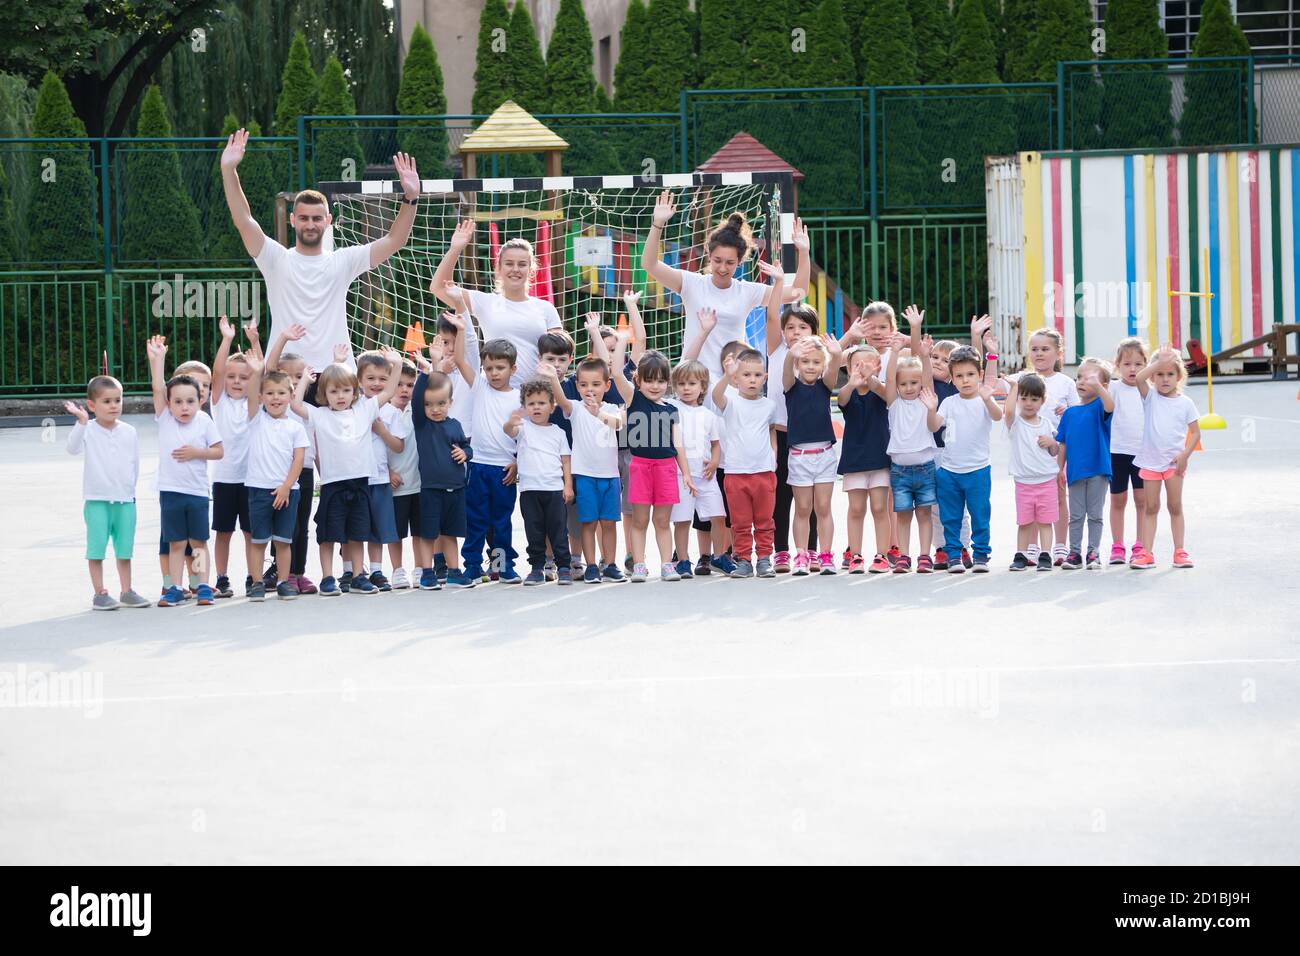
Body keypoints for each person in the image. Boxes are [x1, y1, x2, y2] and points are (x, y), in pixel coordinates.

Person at [221, 129, 422, 370]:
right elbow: (244, 220)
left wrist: (410, 198)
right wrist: (229, 170)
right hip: (285, 376)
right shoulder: (275, 258)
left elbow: (394, 241)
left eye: (317, 218)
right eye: (304, 218)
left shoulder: (343, 261)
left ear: (328, 221)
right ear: (293, 220)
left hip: (335, 376)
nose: (310, 224)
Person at [641, 191, 808, 395]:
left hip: (732, 385)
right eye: (717, 260)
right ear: (709, 255)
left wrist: (804, 253)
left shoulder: (747, 291)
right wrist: (657, 224)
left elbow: (798, 292)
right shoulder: (692, 283)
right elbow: (649, 264)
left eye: (730, 263)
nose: (722, 268)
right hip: (694, 383)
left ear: (739, 262)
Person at [290, 346, 403, 595]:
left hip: (360, 483)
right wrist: (304, 383)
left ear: (354, 392)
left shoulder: (363, 410)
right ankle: (328, 577)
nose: (340, 396)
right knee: (328, 535)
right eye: (333, 391)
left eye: (345, 390)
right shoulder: (319, 415)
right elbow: (296, 406)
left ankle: (358, 576)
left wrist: (396, 365)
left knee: (357, 533)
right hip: (333, 484)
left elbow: (389, 391)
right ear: (324, 394)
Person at [430, 221, 564, 386]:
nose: (515, 269)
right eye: (509, 263)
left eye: (522, 264)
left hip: (536, 398)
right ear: (498, 268)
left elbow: (559, 352)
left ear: (531, 270)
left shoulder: (545, 308)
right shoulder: (486, 302)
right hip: (493, 394)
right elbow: (439, 287)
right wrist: (455, 249)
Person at [612, 334, 695, 582]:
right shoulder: (633, 399)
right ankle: (639, 564)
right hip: (640, 468)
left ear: (667, 382)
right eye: (649, 380)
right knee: (639, 521)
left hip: (666, 469)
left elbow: (678, 444)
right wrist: (622, 341)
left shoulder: (671, 410)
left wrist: (687, 474)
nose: (655, 385)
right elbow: (616, 372)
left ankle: (668, 565)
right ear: (638, 381)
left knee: (662, 520)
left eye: (660, 380)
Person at [148, 336, 224, 606]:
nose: (184, 407)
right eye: (178, 402)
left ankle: (202, 584)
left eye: (190, 401)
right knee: (176, 543)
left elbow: (219, 451)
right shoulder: (165, 417)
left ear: (200, 401)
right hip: (171, 492)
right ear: (169, 403)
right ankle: (175, 588)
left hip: (197, 493)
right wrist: (158, 360)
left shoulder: (204, 421)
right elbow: (158, 388)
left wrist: (196, 453)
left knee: (199, 542)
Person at [446, 320, 523, 583]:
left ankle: (502, 566)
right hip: (478, 467)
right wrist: (462, 330)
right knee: (476, 521)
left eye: (500, 368)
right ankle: (472, 567)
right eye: (489, 368)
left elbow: (524, 436)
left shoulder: (520, 397)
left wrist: (517, 463)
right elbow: (458, 358)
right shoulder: (479, 386)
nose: (494, 373)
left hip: (504, 470)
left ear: (513, 368)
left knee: (501, 522)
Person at [65, 377, 150, 610]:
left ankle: (127, 590)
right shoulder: (88, 429)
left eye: (118, 400)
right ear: (92, 405)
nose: (114, 405)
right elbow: (72, 449)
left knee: (124, 549)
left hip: (125, 501)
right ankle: (100, 593)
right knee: (96, 549)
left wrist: (130, 492)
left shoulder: (129, 431)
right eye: (107, 401)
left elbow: (135, 464)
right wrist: (81, 422)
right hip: (97, 501)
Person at [925, 345, 1002, 573]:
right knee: (950, 517)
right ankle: (954, 556)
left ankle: (980, 556)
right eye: (959, 376)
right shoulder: (948, 402)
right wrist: (931, 409)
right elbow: (932, 426)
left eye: (970, 374)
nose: (965, 380)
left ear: (979, 375)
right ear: (952, 378)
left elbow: (998, 417)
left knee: (980, 515)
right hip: (949, 471)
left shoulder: (984, 399)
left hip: (978, 470)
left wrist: (988, 399)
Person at [551, 352, 626, 583]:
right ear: (577, 385)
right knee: (588, 522)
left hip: (610, 476)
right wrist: (552, 377)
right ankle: (591, 565)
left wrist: (599, 413)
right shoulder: (574, 407)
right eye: (583, 384)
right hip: (584, 476)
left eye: (595, 384)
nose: (589, 389)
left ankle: (610, 563)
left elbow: (618, 424)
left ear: (607, 385)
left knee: (609, 522)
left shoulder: (613, 408)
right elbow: (561, 399)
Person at [241, 356, 309, 600]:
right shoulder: (256, 419)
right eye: (269, 393)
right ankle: (258, 582)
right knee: (259, 541)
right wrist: (257, 372)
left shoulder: (296, 428)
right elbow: (250, 393)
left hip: (288, 492)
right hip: (259, 490)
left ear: (291, 396)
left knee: (283, 541)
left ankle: (283, 581)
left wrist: (286, 487)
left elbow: (298, 461)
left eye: (281, 393)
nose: (275, 398)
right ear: (261, 398)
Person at [408, 359, 475, 591]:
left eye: (441, 403)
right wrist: (427, 374)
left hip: (455, 489)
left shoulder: (455, 424)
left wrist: (465, 453)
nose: (435, 409)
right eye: (429, 405)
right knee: (429, 534)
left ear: (450, 402)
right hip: (431, 490)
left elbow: (467, 447)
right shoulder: (422, 424)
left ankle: (454, 572)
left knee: (450, 534)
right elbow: (417, 400)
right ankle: (428, 573)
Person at [1011, 328, 1077, 564]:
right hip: (1026, 452)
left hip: (1055, 448)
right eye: (1034, 349)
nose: (1039, 354)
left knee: (1057, 496)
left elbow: (1078, 415)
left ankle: (1059, 544)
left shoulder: (1066, 383)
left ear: (1059, 353)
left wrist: (1067, 411)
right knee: (1031, 502)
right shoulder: (1023, 380)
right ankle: (1031, 547)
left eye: (1045, 349)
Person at [1131, 345, 1200, 570]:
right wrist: (1159, 362)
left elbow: (1196, 433)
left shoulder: (1185, 403)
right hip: (1150, 463)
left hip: (1173, 464)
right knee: (1151, 507)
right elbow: (1139, 379)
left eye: (1170, 373)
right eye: (1159, 374)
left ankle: (1180, 551)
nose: (1164, 379)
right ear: (1153, 377)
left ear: (1179, 376)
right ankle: (1147, 553)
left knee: (1175, 506)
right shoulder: (1149, 397)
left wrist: (1185, 455)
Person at [712, 349, 778, 579]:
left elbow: (771, 432)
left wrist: (773, 458)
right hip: (736, 473)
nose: (752, 379)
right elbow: (716, 396)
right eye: (746, 375)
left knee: (764, 520)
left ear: (765, 378)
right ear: (736, 379)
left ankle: (764, 559)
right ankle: (743, 560)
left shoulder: (769, 406)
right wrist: (725, 375)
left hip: (764, 473)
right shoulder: (731, 403)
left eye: (757, 375)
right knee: (740, 522)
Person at [262, 325, 317, 594]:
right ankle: (279, 568)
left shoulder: (307, 405)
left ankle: (298, 573)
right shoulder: (275, 402)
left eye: (300, 375)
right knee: (283, 526)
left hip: (303, 472)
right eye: (289, 376)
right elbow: (269, 369)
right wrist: (283, 338)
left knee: (301, 527)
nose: (294, 381)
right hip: (278, 475)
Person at [782, 334, 842, 576]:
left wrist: (836, 355)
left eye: (816, 362)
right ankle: (801, 555)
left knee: (824, 506)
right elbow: (787, 370)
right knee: (803, 508)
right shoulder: (791, 387)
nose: (810, 366)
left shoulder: (825, 386)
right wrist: (790, 355)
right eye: (805, 362)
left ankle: (826, 556)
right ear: (798, 364)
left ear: (822, 365)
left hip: (825, 454)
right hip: (799, 456)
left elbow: (833, 369)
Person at [505, 380, 575, 586]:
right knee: (534, 531)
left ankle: (563, 567)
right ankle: (536, 568)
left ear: (552, 406)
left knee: (559, 530)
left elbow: (566, 461)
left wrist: (568, 485)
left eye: (542, 403)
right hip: (529, 490)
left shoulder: (558, 432)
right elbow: (508, 430)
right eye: (532, 403)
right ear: (525, 407)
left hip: (554, 490)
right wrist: (512, 421)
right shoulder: (523, 428)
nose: (536, 407)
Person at [356, 350, 411, 592]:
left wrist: (382, 432)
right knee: (355, 529)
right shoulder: (352, 406)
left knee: (377, 529)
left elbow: (398, 446)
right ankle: (352, 571)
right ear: (359, 381)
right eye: (370, 378)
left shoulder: (390, 412)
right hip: (355, 478)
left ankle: (377, 570)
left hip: (378, 478)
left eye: (382, 378)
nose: (377, 383)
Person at [209, 317, 256, 598]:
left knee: (251, 534)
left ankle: (253, 576)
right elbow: (216, 373)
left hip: (251, 481)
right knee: (223, 532)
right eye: (232, 376)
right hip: (225, 479)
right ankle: (222, 578)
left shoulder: (255, 405)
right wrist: (227, 339)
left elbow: (262, 372)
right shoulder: (219, 403)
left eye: (244, 376)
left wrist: (254, 343)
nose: (237, 381)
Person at [1055, 358, 1116, 570]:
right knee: (1077, 515)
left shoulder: (1101, 406)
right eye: (1079, 377)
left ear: (1103, 385)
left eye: (1089, 378)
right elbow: (1062, 443)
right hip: (1075, 471)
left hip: (1099, 469)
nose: (1081, 381)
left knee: (1096, 514)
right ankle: (1074, 553)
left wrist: (1099, 388)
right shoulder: (1069, 413)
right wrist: (1059, 468)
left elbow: (1110, 404)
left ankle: (1093, 552)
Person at [836, 344, 890, 574]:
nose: (863, 369)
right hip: (855, 461)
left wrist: (873, 379)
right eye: (858, 365)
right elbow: (841, 399)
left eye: (869, 364)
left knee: (880, 507)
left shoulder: (882, 391)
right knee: (856, 508)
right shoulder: (849, 392)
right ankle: (855, 554)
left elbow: (887, 394)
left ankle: (882, 555)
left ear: (878, 366)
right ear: (848, 369)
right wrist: (852, 383)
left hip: (880, 458)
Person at [885, 337, 937, 573]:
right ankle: (904, 555)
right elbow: (888, 379)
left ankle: (925, 555)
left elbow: (927, 378)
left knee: (925, 514)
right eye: (904, 383)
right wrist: (894, 353)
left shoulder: (926, 401)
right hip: (900, 471)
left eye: (914, 382)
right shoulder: (893, 404)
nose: (909, 387)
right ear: (897, 386)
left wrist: (925, 356)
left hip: (925, 467)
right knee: (903, 515)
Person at [668, 359, 723, 579]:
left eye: (691, 383)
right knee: (682, 520)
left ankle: (719, 557)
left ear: (702, 387)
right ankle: (682, 560)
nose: (686, 388)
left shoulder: (709, 415)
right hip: (681, 475)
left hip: (706, 475)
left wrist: (715, 462)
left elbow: (716, 444)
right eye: (681, 384)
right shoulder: (671, 409)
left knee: (718, 515)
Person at [1002, 374, 1060, 571]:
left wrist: (1052, 443)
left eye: (1034, 399)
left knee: (1046, 521)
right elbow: (1008, 411)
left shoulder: (1046, 424)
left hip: (1046, 482)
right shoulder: (1016, 423)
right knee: (1024, 522)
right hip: (1024, 483)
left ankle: (1045, 554)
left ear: (1042, 400)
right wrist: (1014, 388)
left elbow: (1055, 451)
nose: (1028, 403)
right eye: (1023, 398)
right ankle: (1021, 555)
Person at [1108, 337, 1149, 565]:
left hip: (1143, 454)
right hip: (1117, 452)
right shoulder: (1113, 388)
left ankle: (1140, 544)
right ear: (1117, 365)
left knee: (1142, 500)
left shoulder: (1149, 390)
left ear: (1146, 365)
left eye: (1138, 364)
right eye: (1126, 364)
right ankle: (1117, 545)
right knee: (1118, 500)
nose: (1132, 369)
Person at [383, 360, 422, 589]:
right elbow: (373, 448)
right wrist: (386, 472)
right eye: (399, 384)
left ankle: (419, 568)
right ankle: (397, 570)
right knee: (395, 532)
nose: (405, 389)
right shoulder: (382, 413)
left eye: (410, 384)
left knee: (419, 531)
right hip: (394, 483)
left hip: (417, 483)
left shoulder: (418, 411)